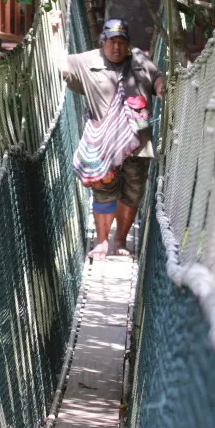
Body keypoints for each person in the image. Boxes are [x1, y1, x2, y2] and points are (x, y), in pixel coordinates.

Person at [58, 18, 163, 259]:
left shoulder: (139, 60)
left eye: (121, 42)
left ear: (127, 43)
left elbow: (157, 76)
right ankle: (102, 242)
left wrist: (161, 87)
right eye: (112, 41)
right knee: (104, 193)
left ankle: (121, 240)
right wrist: (54, 32)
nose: (117, 47)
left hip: (138, 145)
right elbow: (60, 66)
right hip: (103, 147)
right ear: (103, 42)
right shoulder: (87, 61)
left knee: (132, 194)